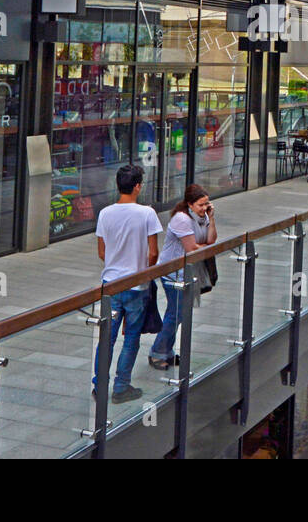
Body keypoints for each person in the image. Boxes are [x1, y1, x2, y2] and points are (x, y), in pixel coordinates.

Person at [93, 164, 162, 404]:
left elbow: (102, 252)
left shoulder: (105, 213)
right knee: (131, 338)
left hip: (110, 285)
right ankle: (121, 387)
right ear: (137, 186)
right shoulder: (147, 213)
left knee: (106, 339)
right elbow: (153, 254)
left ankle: (98, 386)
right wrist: (142, 271)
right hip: (136, 286)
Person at [150, 184, 217, 371]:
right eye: (201, 205)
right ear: (190, 204)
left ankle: (166, 351)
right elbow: (192, 248)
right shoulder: (182, 219)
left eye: (206, 204)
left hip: (187, 273)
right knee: (175, 314)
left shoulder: (204, 217)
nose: (204, 208)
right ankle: (158, 352)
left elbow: (211, 240)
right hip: (173, 273)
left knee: (179, 314)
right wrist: (206, 247)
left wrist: (211, 218)